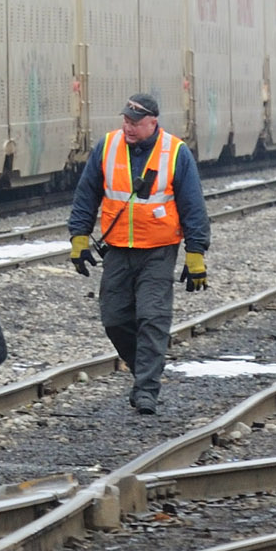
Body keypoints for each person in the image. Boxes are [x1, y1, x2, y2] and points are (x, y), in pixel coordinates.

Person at [67, 93, 211, 414]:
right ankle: (144, 369)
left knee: (151, 317)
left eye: (135, 122)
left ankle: (147, 388)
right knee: (115, 319)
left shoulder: (175, 153)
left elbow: (193, 206)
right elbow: (86, 194)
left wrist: (196, 252)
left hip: (159, 250)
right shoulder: (107, 147)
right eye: (125, 121)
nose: (128, 128)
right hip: (117, 249)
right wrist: (78, 237)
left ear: (153, 123)